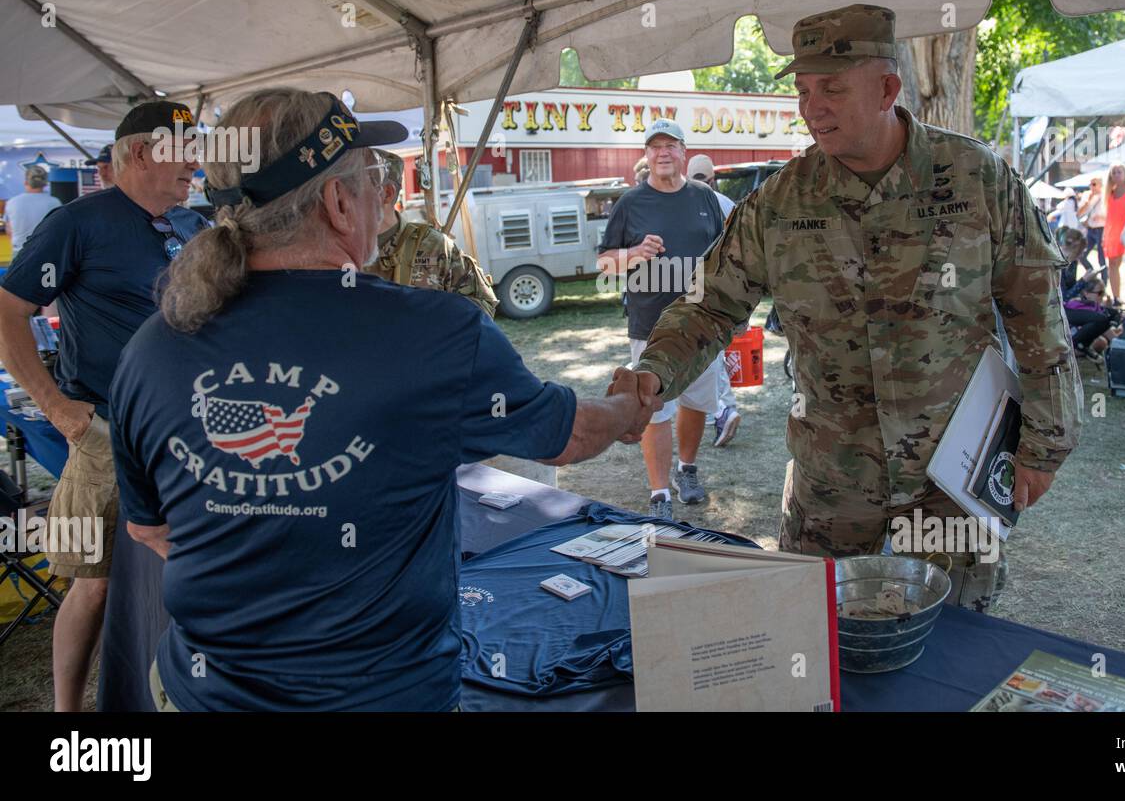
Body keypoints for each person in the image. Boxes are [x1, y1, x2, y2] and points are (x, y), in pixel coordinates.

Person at [109, 88, 655, 711]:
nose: (381, 195)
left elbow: (149, 528)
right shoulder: (434, 333)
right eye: (372, 179)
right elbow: (572, 435)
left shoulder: (152, 345)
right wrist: (628, 409)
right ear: (339, 203)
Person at [619, 4, 1083, 612]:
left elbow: (1037, 315)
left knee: (951, 644)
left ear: (888, 87)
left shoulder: (977, 181)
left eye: (833, 89)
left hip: (950, 477)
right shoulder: (781, 201)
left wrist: (1043, 445)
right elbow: (709, 306)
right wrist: (653, 372)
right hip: (830, 483)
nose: (813, 108)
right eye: (804, 90)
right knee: (819, 641)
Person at [0, 101, 206, 711]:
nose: (195, 161)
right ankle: (68, 713)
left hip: (189, 436)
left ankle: (164, 694)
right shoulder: (78, 223)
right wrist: (57, 407)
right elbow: (9, 311)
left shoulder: (193, 227)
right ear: (141, 154)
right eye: (183, 149)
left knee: (182, 573)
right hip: (107, 432)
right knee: (93, 583)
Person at [597, 119, 726, 519]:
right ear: (647, 155)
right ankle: (659, 494)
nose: (663, 152)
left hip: (703, 325)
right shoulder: (630, 203)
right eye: (655, 147)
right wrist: (635, 252)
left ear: (683, 152)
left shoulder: (705, 197)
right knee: (653, 406)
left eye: (671, 145)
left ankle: (687, 469)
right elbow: (604, 262)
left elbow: (725, 257)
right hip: (650, 325)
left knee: (697, 402)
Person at [365, 149, 499, 317]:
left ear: (387, 194)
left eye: (355, 186)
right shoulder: (336, 248)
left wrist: (432, 320)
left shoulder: (435, 247)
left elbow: (483, 309)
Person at [687, 154, 743, 447]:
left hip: (692, 290)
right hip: (725, 289)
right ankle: (725, 408)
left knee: (703, 357)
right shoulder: (727, 204)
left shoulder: (681, 203)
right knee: (715, 351)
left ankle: (721, 411)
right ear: (712, 178)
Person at [4, 165, 61, 255]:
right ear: (45, 183)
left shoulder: (12, 202)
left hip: (20, 252)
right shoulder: (55, 202)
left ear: (26, 182)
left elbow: (9, 231)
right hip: (47, 252)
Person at [1101, 163, 1125, 304]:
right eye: (1113, 172)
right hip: (1113, 232)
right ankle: (1116, 297)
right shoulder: (1109, 193)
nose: (1116, 174)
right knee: (1113, 264)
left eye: (1119, 172)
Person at [1078, 175, 1108, 277]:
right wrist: (1088, 201)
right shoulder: (1087, 195)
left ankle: (1104, 281)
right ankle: (1092, 274)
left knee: (1101, 258)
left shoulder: (1106, 195)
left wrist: (1101, 217)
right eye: (1090, 184)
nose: (1092, 186)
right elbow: (1079, 213)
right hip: (1090, 229)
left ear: (1100, 185)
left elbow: (1110, 214)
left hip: (1102, 229)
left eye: (1094, 184)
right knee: (1081, 254)